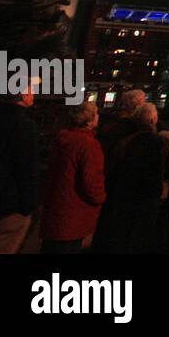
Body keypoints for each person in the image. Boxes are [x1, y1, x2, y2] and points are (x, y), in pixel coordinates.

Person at [94, 102, 167, 253]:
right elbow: (158, 171)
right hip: (145, 198)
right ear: (153, 121)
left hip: (123, 194)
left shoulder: (125, 141)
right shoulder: (157, 142)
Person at [40, 101, 107, 253]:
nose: (98, 117)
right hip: (75, 214)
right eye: (96, 114)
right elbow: (92, 182)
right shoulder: (88, 144)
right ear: (89, 120)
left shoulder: (64, 138)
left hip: (57, 210)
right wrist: (101, 198)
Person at [0, 81, 39, 253]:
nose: (34, 94)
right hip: (10, 207)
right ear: (22, 94)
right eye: (32, 90)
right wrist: (28, 205)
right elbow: (26, 169)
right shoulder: (25, 126)